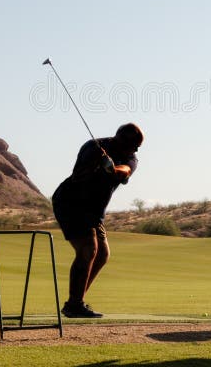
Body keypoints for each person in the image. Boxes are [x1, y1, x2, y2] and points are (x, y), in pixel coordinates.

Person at [51, 122, 144, 318]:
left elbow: (125, 171)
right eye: (133, 145)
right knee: (88, 249)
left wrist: (110, 168)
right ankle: (75, 304)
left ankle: (74, 302)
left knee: (102, 254)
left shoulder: (131, 157)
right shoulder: (92, 147)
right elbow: (79, 175)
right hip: (70, 202)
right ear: (120, 139)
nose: (135, 150)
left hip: (93, 210)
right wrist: (97, 163)